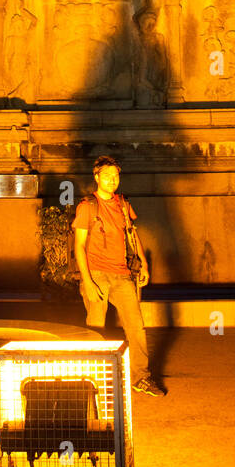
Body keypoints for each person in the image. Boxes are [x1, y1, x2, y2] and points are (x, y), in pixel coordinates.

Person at [73, 157, 165, 396]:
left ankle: (141, 378)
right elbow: (79, 246)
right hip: (96, 273)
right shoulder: (87, 206)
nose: (112, 180)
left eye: (116, 176)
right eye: (107, 176)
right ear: (96, 177)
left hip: (122, 273)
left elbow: (132, 235)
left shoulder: (123, 204)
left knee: (136, 326)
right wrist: (88, 281)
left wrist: (143, 264)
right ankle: (90, 378)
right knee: (95, 326)